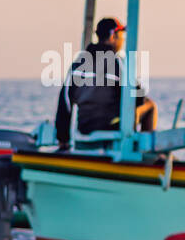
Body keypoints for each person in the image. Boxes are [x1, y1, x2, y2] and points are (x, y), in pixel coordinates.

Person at [55, 17, 158, 150]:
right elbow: (139, 98)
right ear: (112, 36)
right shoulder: (117, 63)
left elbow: (65, 104)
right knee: (149, 105)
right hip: (112, 127)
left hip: (85, 129)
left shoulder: (77, 64)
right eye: (121, 36)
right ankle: (144, 151)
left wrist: (62, 139)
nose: (122, 40)